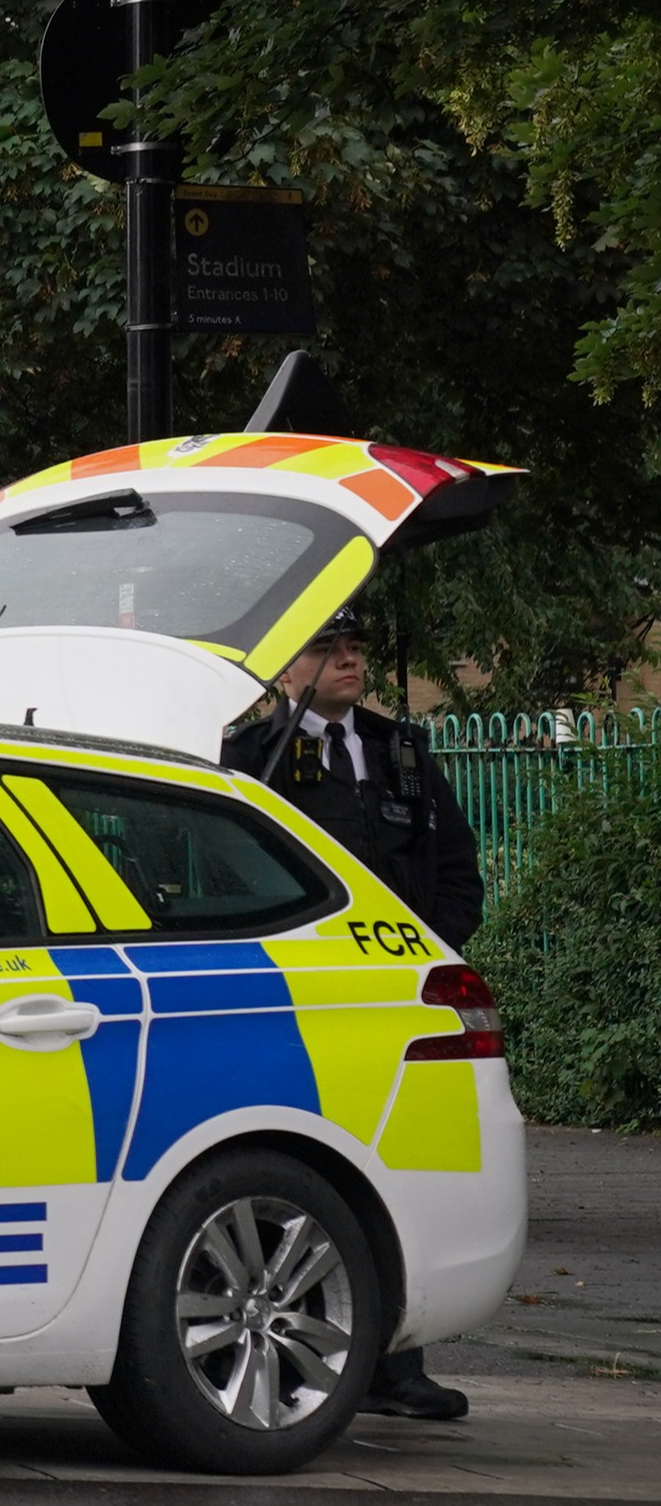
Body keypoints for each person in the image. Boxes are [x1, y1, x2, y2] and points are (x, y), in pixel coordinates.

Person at [219, 606, 484, 1422]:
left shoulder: (400, 748)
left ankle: (398, 1367)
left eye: (356, 647)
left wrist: (422, 946)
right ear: (285, 667)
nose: (347, 661)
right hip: (297, 994)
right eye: (326, 648)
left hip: (395, 994)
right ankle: (289, 1347)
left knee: (394, 1167)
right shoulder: (249, 754)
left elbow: (453, 865)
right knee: (295, 1169)